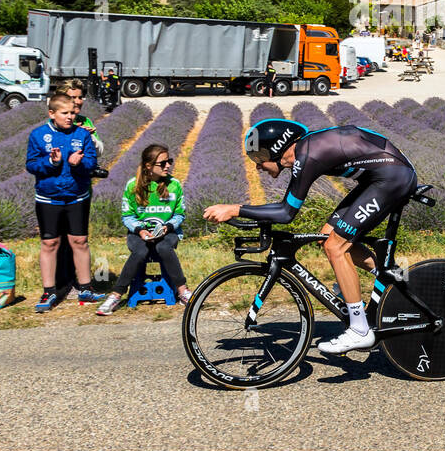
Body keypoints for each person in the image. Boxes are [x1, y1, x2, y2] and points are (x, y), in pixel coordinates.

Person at [204, 119, 416, 355]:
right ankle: (394, 278)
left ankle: (359, 330)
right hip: (379, 177)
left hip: (392, 178)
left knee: (336, 247)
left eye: (259, 157)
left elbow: (286, 213)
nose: (258, 166)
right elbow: (286, 210)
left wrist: (234, 209)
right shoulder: (306, 150)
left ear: (278, 148)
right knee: (326, 236)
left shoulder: (307, 155)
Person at [26, 93, 106, 311]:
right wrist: (51, 162)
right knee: (50, 243)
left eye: (73, 112)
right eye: (65, 113)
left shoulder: (82, 134)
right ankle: (49, 291)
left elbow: (91, 162)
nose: (70, 116)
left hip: (77, 196)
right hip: (48, 198)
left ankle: (86, 288)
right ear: (51, 113)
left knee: (79, 242)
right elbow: (31, 164)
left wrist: (78, 164)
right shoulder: (38, 135)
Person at [96, 144, 192, 315]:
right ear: (149, 166)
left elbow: (180, 214)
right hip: (139, 233)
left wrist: (167, 227)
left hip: (167, 232)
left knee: (163, 247)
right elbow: (127, 216)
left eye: (169, 161)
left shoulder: (174, 185)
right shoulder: (133, 186)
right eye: (163, 163)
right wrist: (140, 230)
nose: (168, 165)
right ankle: (116, 295)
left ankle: (183, 291)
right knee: (140, 252)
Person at [61, 79, 104, 155]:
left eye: (80, 97)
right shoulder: (56, 122)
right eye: (73, 97)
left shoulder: (85, 121)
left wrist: (89, 136)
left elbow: (99, 152)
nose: (78, 102)